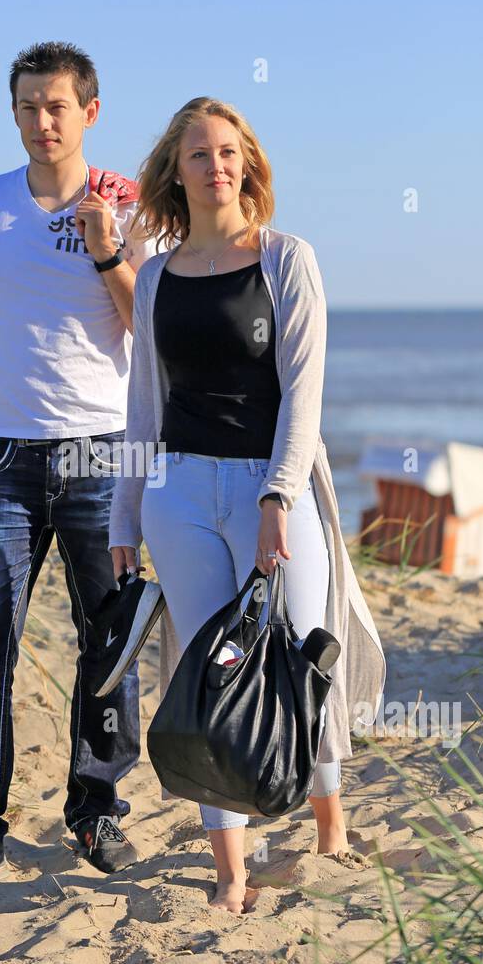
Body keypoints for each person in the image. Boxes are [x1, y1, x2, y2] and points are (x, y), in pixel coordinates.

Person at [107, 97, 386, 914]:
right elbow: (141, 410)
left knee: (304, 655)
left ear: (248, 164)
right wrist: (126, 518)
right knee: (206, 674)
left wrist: (276, 495)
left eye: (229, 152)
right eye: (199, 154)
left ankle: (329, 825)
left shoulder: (286, 260)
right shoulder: (155, 276)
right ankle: (231, 870)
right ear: (176, 171)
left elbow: (304, 393)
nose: (217, 165)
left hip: (275, 484)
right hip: (180, 491)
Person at [0, 41, 157, 889]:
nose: (41, 121)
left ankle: (95, 815)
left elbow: (148, 329)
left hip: (101, 455)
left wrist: (105, 248)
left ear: (90, 111)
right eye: (26, 106)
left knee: (109, 644)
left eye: (56, 106)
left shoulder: (129, 203)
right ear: (12, 113)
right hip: (1, 462)